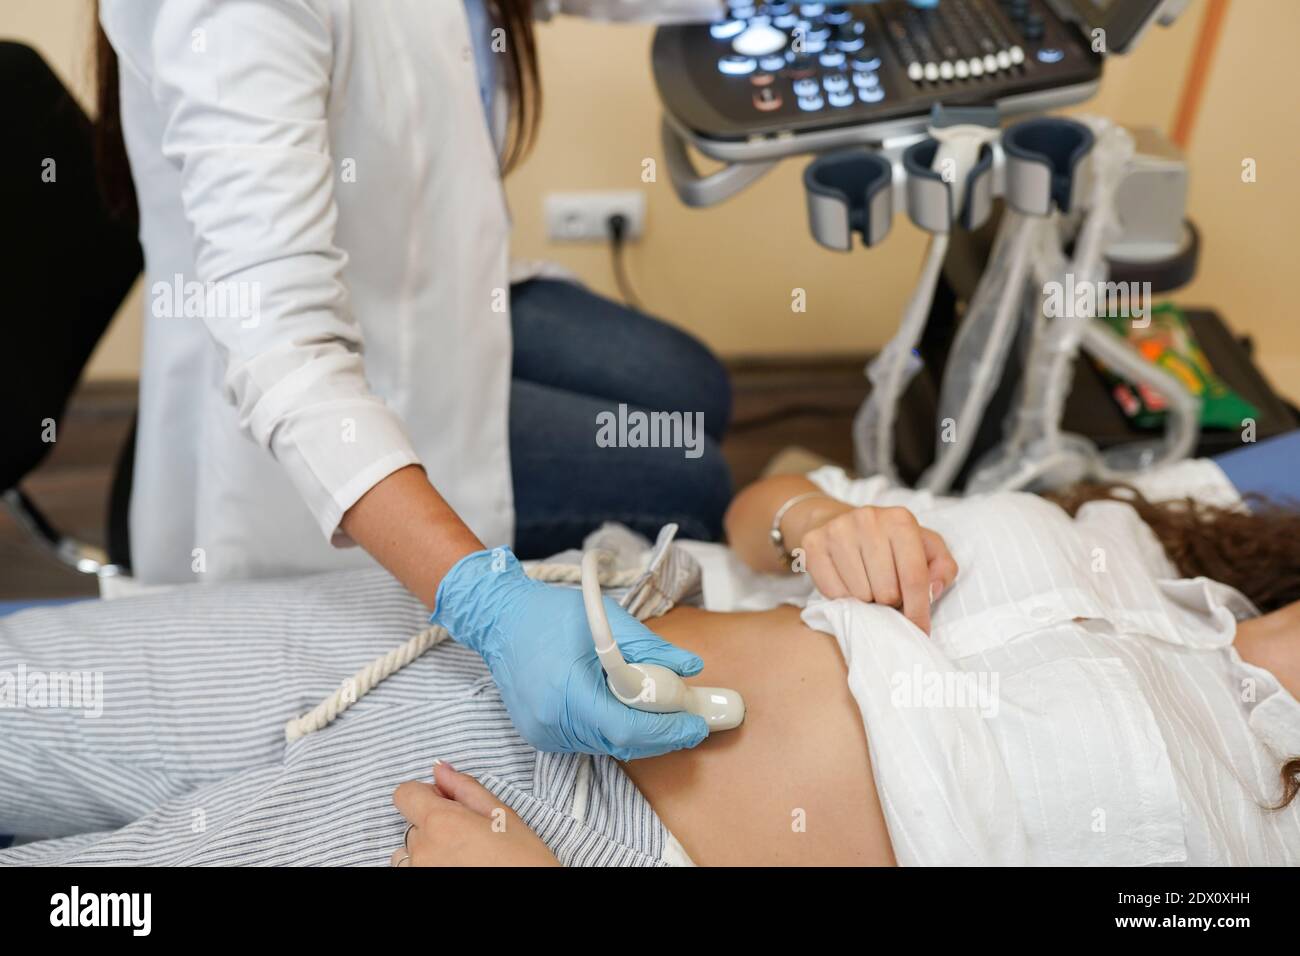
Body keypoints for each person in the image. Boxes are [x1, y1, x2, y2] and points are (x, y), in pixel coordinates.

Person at [2, 458, 1296, 865]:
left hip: (519, 834)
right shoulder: (1154, 543)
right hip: (495, 631)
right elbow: (766, 500)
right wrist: (819, 522)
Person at [92, 0, 732, 761]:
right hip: (332, 394)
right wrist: (485, 604)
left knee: (693, 388)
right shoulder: (239, 15)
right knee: (692, 476)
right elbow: (280, 342)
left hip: (433, 293)